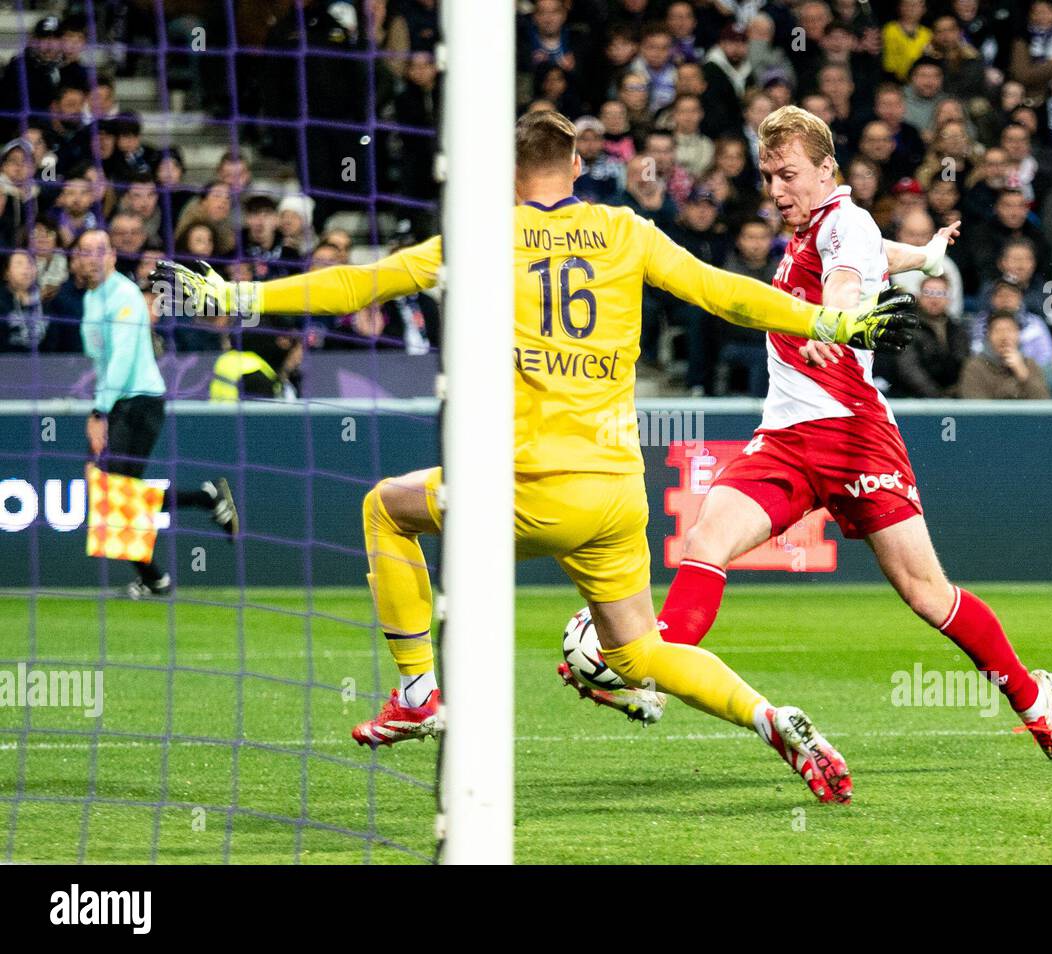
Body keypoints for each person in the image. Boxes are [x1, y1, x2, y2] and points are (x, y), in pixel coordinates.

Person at [151, 111, 926, 803]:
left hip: (521, 487)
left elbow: (360, 283)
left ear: (507, 171)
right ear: (577, 168)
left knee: (384, 508)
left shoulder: (485, 238)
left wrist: (237, 299)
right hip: (618, 493)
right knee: (640, 653)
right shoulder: (627, 232)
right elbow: (723, 291)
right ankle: (770, 717)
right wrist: (834, 324)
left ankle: (418, 689)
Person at [643, 105, 1052, 764]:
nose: (775, 190)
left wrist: (831, 322)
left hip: (854, 437)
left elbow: (847, 282)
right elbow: (877, 255)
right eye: (767, 177)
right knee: (705, 538)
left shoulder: (844, 222)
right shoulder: (819, 227)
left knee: (927, 595)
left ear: (826, 169)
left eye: (787, 174)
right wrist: (928, 254)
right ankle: (656, 674)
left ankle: (1029, 694)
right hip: (787, 438)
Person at [75, 229, 238, 599]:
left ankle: (155, 577)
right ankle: (205, 500)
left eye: (99, 250)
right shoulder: (92, 298)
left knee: (113, 492)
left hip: (140, 403)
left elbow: (122, 358)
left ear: (113, 256)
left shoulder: (125, 296)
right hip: (120, 403)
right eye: (85, 251)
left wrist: (99, 410)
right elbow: (100, 360)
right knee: (118, 493)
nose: (92, 257)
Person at [959, 311, 1052, 400]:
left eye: (1009, 330)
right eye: (998, 330)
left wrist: (1023, 375)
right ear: (988, 336)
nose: (1004, 337)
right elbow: (976, 408)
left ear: (1018, 334)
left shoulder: (1029, 364)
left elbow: (1043, 402)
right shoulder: (975, 367)